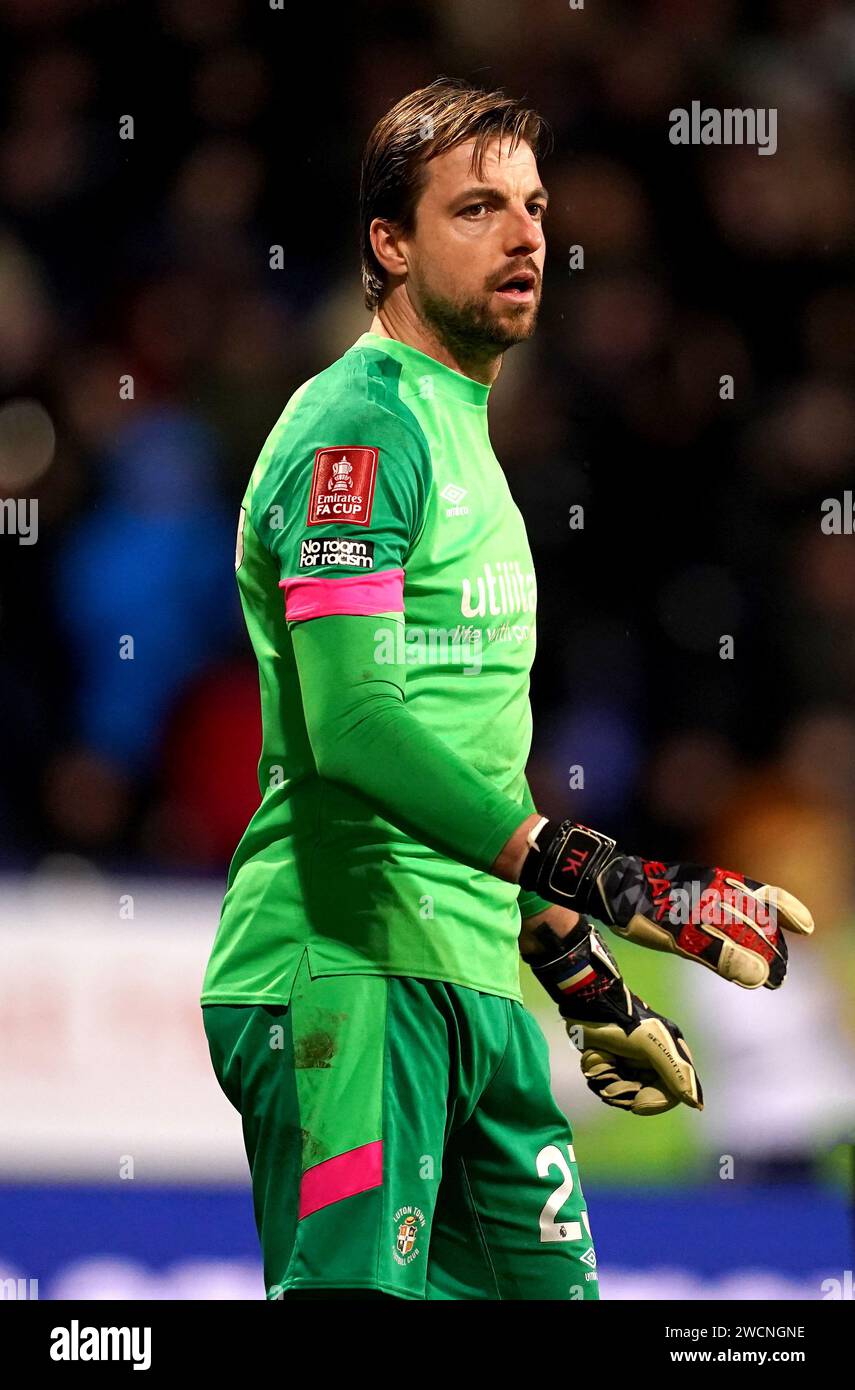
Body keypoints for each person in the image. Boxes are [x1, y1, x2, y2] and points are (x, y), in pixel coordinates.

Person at [200, 77, 813, 1301]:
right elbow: (359, 721)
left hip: (471, 979)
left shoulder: (465, 430)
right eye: (477, 208)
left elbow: (463, 763)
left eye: (534, 206)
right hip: (351, 966)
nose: (528, 234)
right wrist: (617, 879)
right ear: (389, 242)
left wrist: (570, 964)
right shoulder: (361, 428)